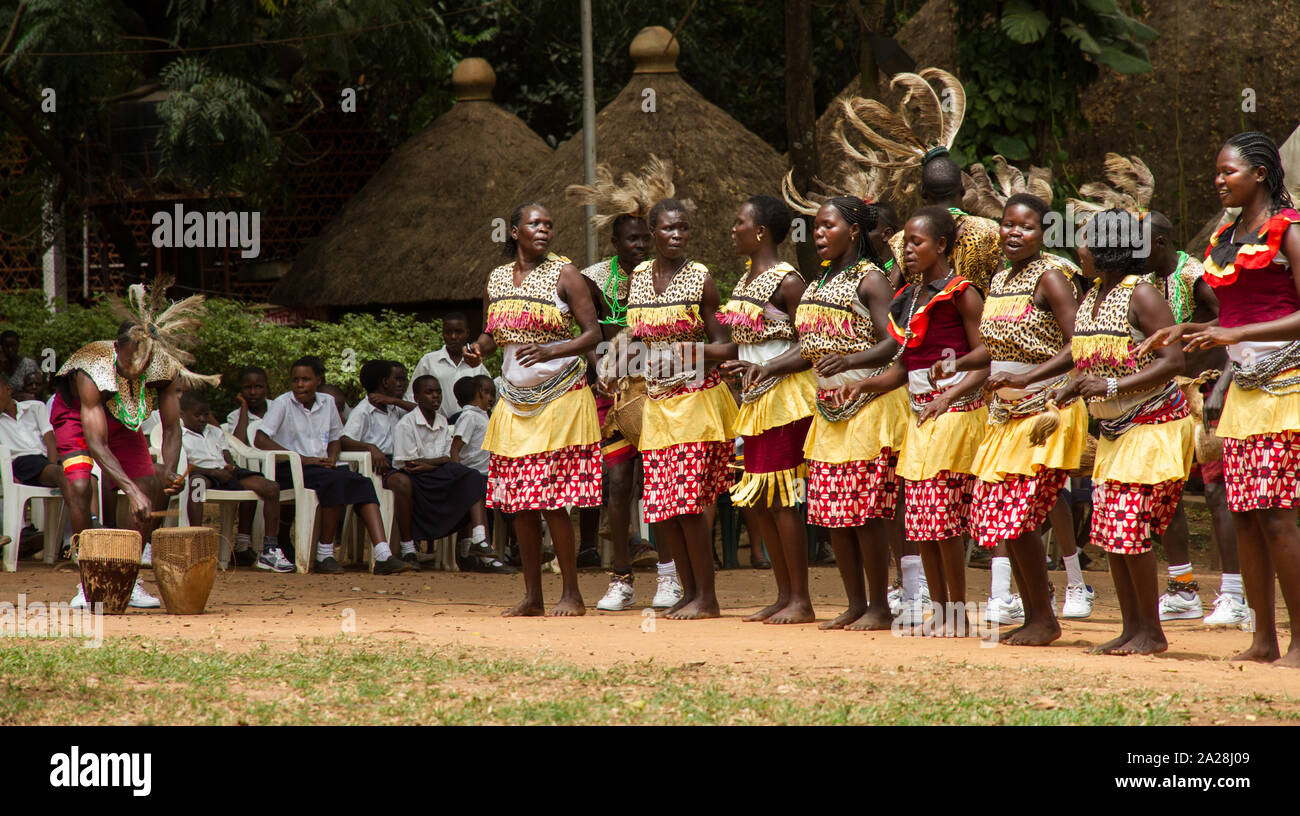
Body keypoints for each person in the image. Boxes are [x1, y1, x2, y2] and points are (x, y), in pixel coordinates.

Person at [1146, 132, 1300, 666]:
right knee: (1247, 516)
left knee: (1276, 516)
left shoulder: (1289, 230)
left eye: (1228, 171)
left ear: (1260, 173)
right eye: (1217, 171)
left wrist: (1235, 335)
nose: (1218, 180)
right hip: (1245, 392)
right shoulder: (1226, 238)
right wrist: (1190, 328)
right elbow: (1232, 318)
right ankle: (1263, 641)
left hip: (1286, 389)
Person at [1057, 208, 1191, 656]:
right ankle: (1131, 627)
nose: (1079, 249)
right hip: (1117, 430)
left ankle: (1152, 632)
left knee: (1129, 525)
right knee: (1112, 531)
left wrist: (1112, 386)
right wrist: (1069, 386)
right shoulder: (1094, 293)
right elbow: (1088, 355)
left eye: (1086, 242)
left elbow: (1173, 361)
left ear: (1108, 250)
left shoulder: (1142, 294)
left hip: (1153, 424)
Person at [777, 194, 910, 630]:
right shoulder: (817, 283)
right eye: (816, 227)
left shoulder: (871, 280)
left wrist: (850, 361)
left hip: (869, 406)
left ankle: (880, 606)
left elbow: (893, 342)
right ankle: (855, 604)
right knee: (833, 514)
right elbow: (810, 347)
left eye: (828, 226)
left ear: (853, 231)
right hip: (829, 409)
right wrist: (767, 367)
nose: (818, 233)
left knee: (866, 515)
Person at [464, 202, 603, 616]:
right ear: (514, 231)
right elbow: (493, 334)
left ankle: (572, 593)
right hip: (514, 400)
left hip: (561, 397)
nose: (544, 230)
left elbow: (593, 334)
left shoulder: (566, 274)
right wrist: (478, 349)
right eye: (535, 224)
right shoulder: (497, 278)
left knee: (552, 499)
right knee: (518, 503)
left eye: (549, 225)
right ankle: (532, 597)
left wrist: (550, 350)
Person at [55, 277, 217, 609]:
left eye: (142, 362)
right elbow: (96, 442)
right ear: (117, 347)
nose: (135, 367)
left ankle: (128, 579)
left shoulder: (163, 366)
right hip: (77, 419)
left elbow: (172, 428)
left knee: (151, 487)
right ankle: (87, 581)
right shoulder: (92, 367)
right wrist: (129, 490)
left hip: (123, 415)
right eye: (130, 359)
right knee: (81, 487)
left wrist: (168, 471)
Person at [968, 194, 1087, 644]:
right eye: (1008, 224)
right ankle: (1037, 613)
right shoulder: (1000, 278)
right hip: (1005, 414)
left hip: (1046, 411)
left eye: (1026, 226)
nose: (1014, 233)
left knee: (1019, 516)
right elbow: (994, 346)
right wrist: (958, 364)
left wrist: (1027, 377)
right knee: (1005, 520)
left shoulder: (1052, 276)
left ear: (1044, 233)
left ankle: (1045, 617)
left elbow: (1080, 345)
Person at [567, 157, 678, 609]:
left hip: (662, 390)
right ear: (614, 242)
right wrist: (604, 367)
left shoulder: (668, 278)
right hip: (612, 393)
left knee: (662, 482)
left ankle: (669, 576)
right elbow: (588, 334)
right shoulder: (594, 279)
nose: (639, 245)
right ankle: (621, 578)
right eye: (631, 239)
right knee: (617, 482)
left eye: (644, 238)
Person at [623, 197, 738, 620]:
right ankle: (690, 594)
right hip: (657, 405)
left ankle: (707, 597)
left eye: (683, 228)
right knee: (666, 509)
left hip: (696, 403)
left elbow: (727, 347)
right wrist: (619, 365)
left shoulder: (700, 278)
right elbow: (637, 338)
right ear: (653, 232)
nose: (677, 235)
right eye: (669, 228)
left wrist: (685, 354)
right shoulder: (638, 278)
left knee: (689, 505)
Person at [885, 207, 990, 636]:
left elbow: (986, 357)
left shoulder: (962, 293)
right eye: (905, 244)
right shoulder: (909, 297)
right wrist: (862, 385)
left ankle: (958, 612)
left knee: (943, 521)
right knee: (921, 521)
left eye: (917, 242)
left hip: (955, 414)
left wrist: (947, 396)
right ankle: (942, 611)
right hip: (921, 415)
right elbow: (901, 368)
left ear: (942, 245)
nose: (908, 251)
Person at [717, 195, 818, 624]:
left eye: (739, 222)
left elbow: (811, 345)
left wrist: (765, 367)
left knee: (782, 498)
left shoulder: (788, 281)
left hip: (785, 401)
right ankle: (783, 595)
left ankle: (801, 600)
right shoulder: (745, 282)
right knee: (760, 499)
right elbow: (744, 346)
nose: (733, 228)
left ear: (760, 232)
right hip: (756, 402)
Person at [1140, 211, 1243, 625]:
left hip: (1210, 391)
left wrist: (1220, 387)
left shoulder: (1194, 274)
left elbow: (1235, 322)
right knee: (1167, 491)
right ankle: (1182, 589)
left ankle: (1234, 593)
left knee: (1218, 492)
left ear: (1161, 243)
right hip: (1171, 395)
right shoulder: (1144, 282)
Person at [255, 356, 413, 575]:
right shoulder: (283, 403)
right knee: (336, 481)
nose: (299, 385)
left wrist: (332, 457)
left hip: (322, 468)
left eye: (305, 380)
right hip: (291, 468)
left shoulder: (327, 402)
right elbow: (260, 439)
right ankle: (324, 554)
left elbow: (336, 438)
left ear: (318, 380)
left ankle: (382, 553)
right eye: (295, 380)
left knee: (363, 483)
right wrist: (301, 458)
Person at [392, 375, 502, 571]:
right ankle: (408, 548)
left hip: (437, 474)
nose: (435, 396)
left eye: (438, 392)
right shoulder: (406, 424)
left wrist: (429, 464)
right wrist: (435, 463)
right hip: (417, 478)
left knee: (472, 477)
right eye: (429, 392)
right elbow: (411, 463)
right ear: (416, 397)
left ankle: (478, 539)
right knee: (468, 477)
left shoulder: (442, 420)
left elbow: (446, 457)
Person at [178, 390, 288, 571]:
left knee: (271, 488)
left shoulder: (215, 432)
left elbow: (226, 454)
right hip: (201, 473)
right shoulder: (179, 434)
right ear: (182, 414)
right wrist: (213, 472)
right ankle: (197, 541)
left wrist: (230, 467)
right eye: (197, 415)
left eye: (206, 414)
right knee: (196, 485)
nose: (203, 419)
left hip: (225, 472)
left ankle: (269, 550)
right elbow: (184, 466)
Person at [342, 359, 430, 566]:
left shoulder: (394, 407)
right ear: (384, 382)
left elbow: (424, 411)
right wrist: (371, 448)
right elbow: (345, 440)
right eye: (396, 379)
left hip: (401, 461)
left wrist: (394, 401)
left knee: (430, 480)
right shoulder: (363, 410)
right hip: (377, 467)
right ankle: (408, 547)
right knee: (403, 483)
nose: (402, 384)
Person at [406, 313, 489, 418]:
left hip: (472, 424)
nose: (453, 336)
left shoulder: (476, 363)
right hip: (437, 424)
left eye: (458, 332)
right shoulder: (428, 361)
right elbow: (411, 397)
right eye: (448, 332)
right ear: (443, 334)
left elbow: (488, 396)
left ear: (467, 333)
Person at [0, 376, 67, 494]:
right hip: (21, 463)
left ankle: (89, 509)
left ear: (8, 390)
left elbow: (51, 442)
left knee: (86, 478)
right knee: (63, 475)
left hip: (46, 460)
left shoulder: (36, 407)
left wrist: (52, 466)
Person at [451, 375, 494, 477]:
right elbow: (455, 448)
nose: (490, 398)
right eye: (486, 392)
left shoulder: (482, 415)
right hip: (473, 475)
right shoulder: (469, 416)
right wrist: (459, 475)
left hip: (487, 474)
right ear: (480, 392)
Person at [224, 366, 271, 444]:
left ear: (266, 388)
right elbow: (239, 446)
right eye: (247, 387)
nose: (253, 392)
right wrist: (244, 406)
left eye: (258, 387)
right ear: (241, 390)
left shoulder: (278, 407)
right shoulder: (234, 416)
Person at [1, 330, 38, 395]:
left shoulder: (28, 364)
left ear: (18, 345)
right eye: (7, 346)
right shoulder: (1, 367)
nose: (10, 349)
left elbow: (36, 389)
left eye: (13, 346)